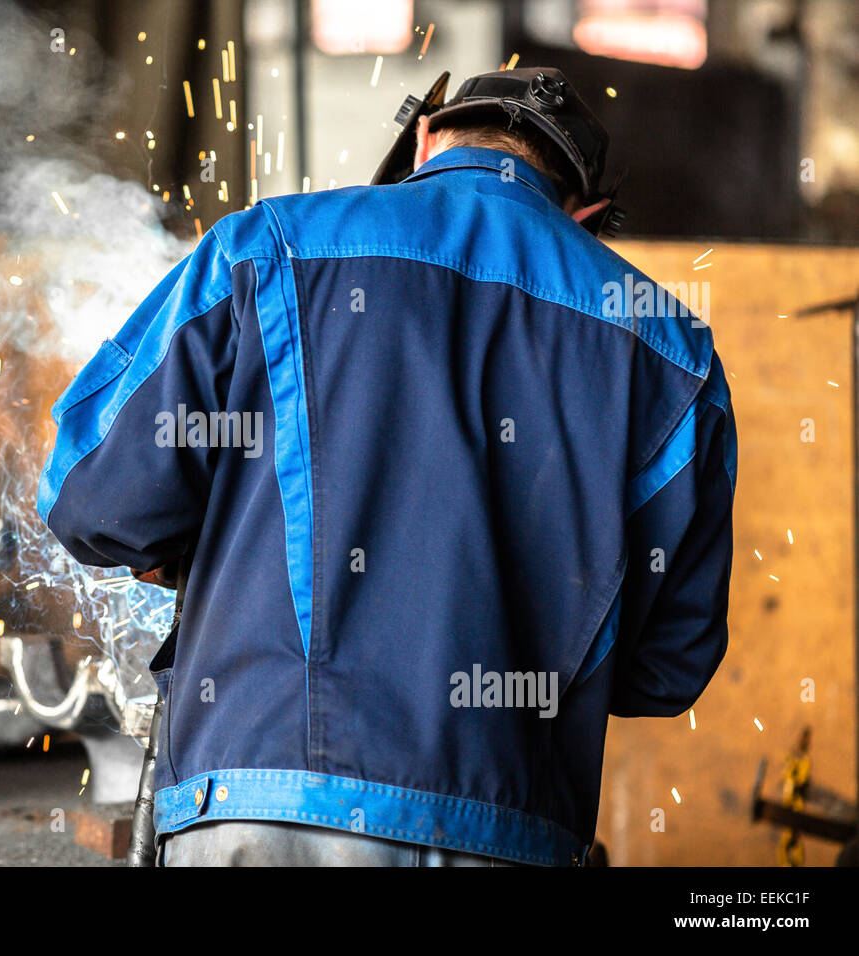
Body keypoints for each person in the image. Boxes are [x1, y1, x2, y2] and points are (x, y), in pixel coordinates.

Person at [38, 68, 735, 866]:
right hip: (503, 835)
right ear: (590, 215)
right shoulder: (674, 354)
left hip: (253, 810)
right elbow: (664, 670)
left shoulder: (265, 246)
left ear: (427, 139)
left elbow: (88, 498)